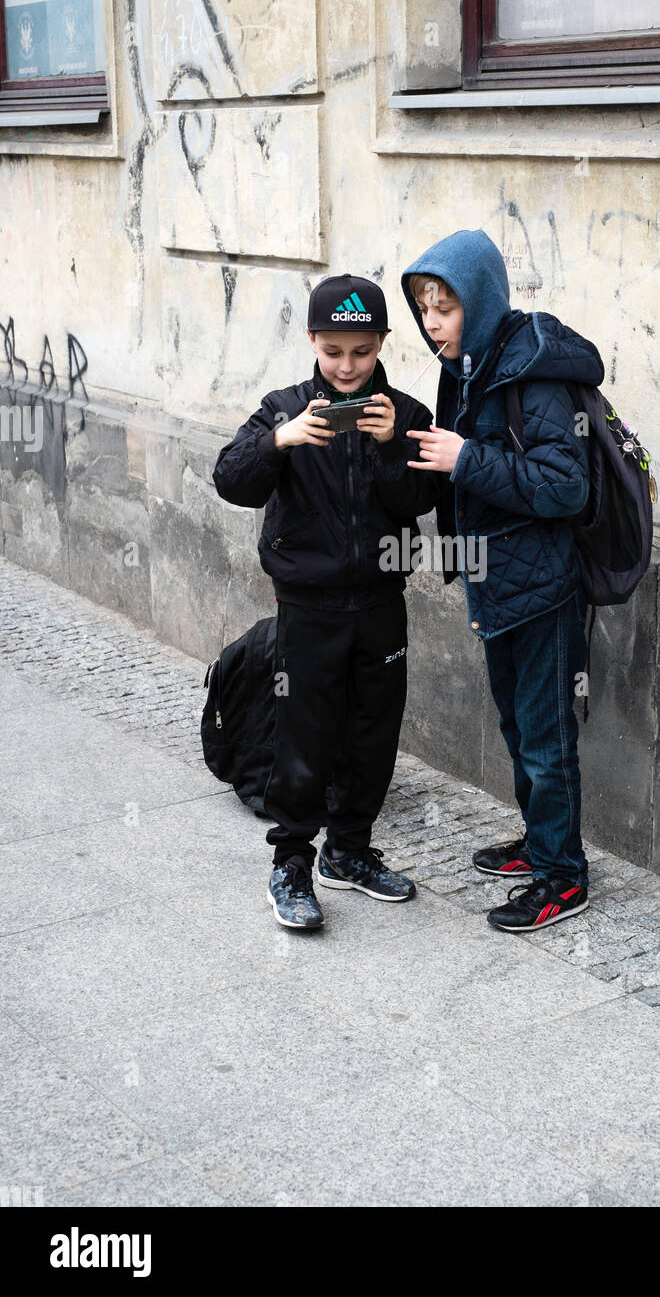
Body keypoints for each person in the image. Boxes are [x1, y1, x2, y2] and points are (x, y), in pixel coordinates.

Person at [212, 274, 442, 930]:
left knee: (374, 732)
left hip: (380, 602)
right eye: (334, 350)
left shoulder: (406, 413)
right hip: (307, 607)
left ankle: (349, 852)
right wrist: (279, 441)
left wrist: (392, 443)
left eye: (361, 352)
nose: (347, 366)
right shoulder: (282, 407)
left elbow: (420, 501)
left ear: (381, 345)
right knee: (304, 737)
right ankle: (290, 864)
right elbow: (231, 480)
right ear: (313, 341)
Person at [401, 230, 604, 932]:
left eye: (445, 307)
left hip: (543, 588)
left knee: (547, 740)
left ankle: (563, 876)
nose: (432, 323)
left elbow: (564, 487)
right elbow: (467, 471)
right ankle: (539, 842)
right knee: (518, 725)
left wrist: (464, 460)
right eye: (424, 308)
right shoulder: (465, 367)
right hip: (497, 583)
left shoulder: (532, 374)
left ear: (480, 303)